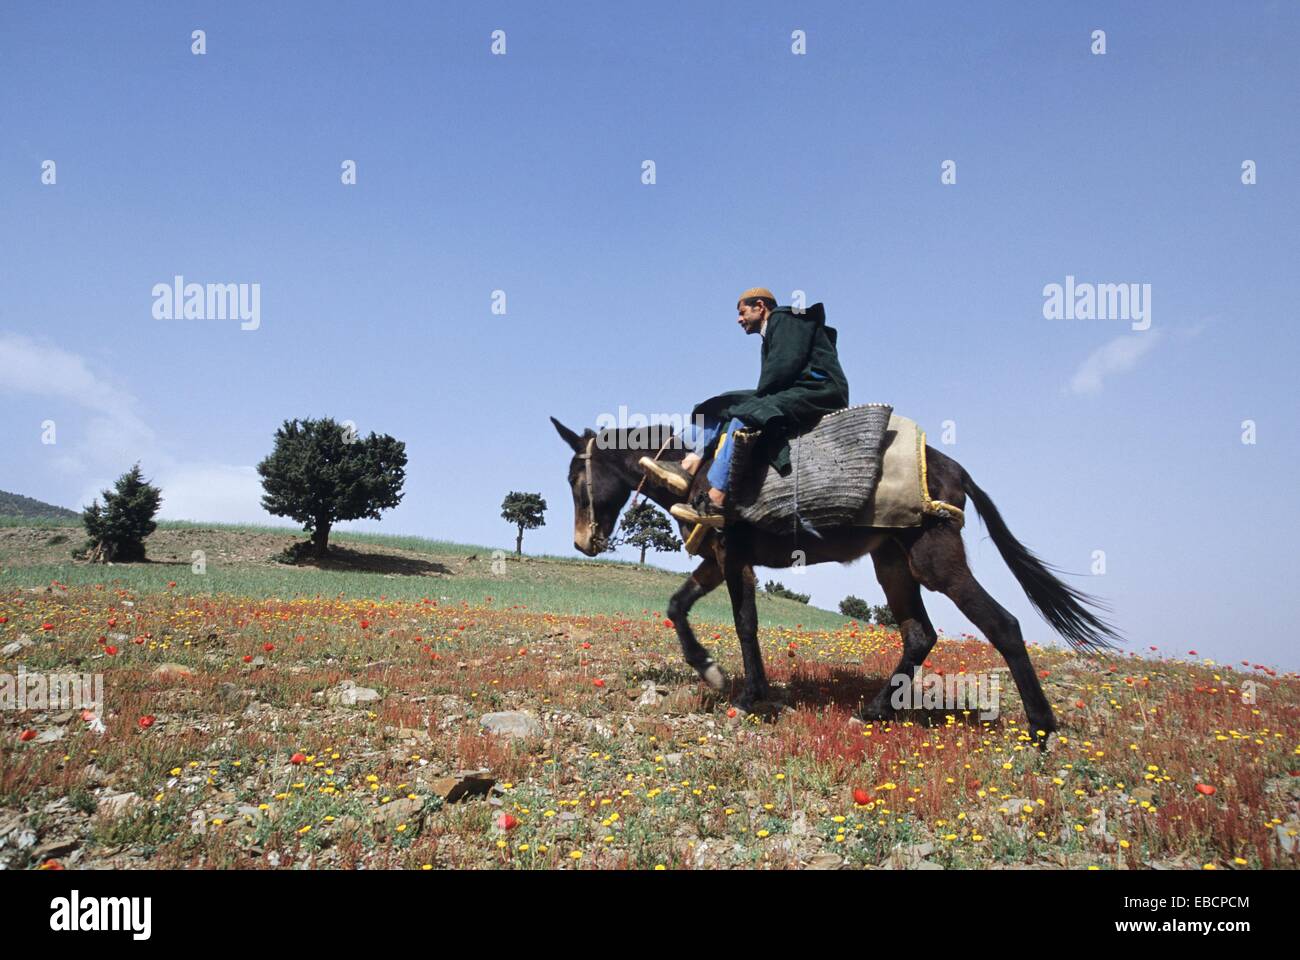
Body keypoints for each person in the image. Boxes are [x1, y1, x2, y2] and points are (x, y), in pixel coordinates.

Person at [640, 287, 849, 528]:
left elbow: (783, 368)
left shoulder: (784, 320)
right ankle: (688, 466)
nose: (739, 319)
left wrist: (752, 404)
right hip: (797, 390)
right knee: (724, 402)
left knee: (744, 409)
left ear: (760, 306)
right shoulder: (771, 331)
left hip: (820, 392)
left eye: (742, 312)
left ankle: (715, 499)